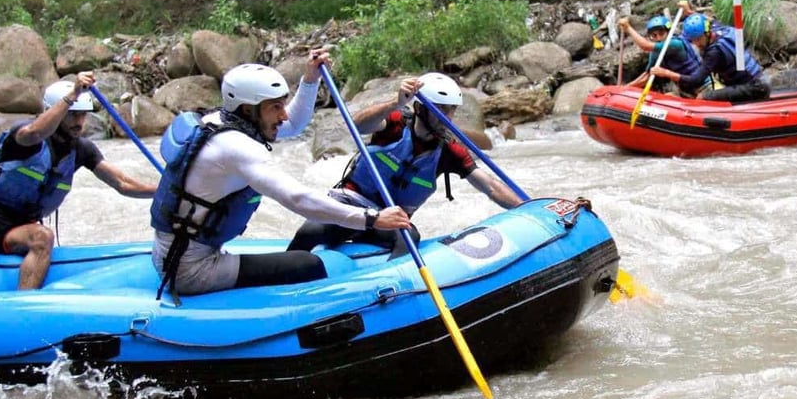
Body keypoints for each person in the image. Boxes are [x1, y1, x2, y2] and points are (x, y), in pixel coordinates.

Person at [150, 58, 412, 298]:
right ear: (248, 110)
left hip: (173, 254)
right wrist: (372, 219)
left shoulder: (218, 120)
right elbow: (297, 199)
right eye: (275, 107)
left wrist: (310, 79)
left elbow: (294, 125)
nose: (283, 114)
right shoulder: (238, 148)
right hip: (191, 270)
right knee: (306, 265)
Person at [287, 72, 524, 257]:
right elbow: (357, 125)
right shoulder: (395, 125)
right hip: (350, 205)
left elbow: (490, 186)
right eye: (440, 109)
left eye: (451, 110)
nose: (447, 118)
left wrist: (526, 207)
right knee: (311, 231)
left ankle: (391, 291)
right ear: (420, 107)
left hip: (389, 220)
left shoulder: (448, 151)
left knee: (409, 236)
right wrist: (395, 102)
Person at [0, 72, 157, 290]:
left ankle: (23, 305)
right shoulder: (23, 136)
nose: (80, 122)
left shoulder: (82, 149)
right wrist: (73, 94)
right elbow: (36, 132)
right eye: (73, 114)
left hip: (21, 226)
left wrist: (162, 190)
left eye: (83, 115)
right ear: (54, 111)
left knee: (43, 237)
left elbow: (123, 184)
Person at [648, 6, 772, 103]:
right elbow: (708, 21)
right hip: (757, 80)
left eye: (698, 39)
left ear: (706, 34)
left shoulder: (714, 53)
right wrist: (690, 12)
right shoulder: (721, 29)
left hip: (754, 87)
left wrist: (666, 73)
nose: (696, 44)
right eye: (693, 40)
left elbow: (695, 80)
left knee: (702, 97)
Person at [618, 14, 710, 97]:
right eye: (654, 35)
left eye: (661, 34)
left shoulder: (675, 44)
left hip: (703, 87)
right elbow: (647, 76)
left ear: (668, 33)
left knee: (699, 99)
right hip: (686, 90)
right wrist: (624, 88)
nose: (658, 38)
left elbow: (645, 46)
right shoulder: (656, 52)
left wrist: (628, 28)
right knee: (667, 97)